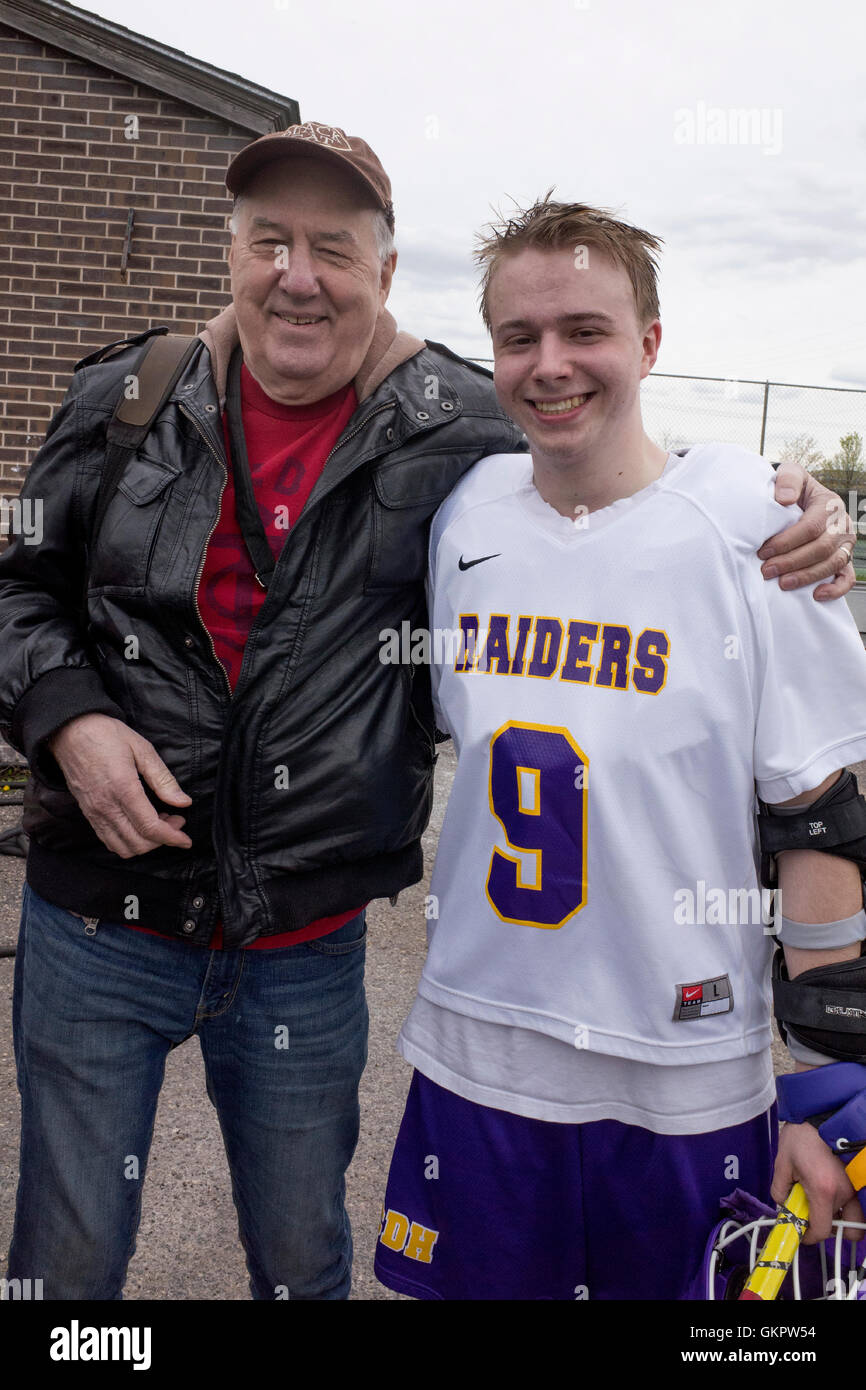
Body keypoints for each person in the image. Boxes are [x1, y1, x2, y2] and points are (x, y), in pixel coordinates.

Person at [0, 127, 854, 1302]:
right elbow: (17, 583)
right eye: (270, 243)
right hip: (102, 921)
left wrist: (799, 506)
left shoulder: (460, 429)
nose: (298, 275)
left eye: (333, 249)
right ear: (231, 255)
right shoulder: (125, 398)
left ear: (384, 276)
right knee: (68, 1257)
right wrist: (65, 717)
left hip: (306, 942)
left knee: (304, 1261)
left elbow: (620, 477)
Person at [373, 197, 866, 1301]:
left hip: (679, 1073)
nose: (549, 364)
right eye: (517, 337)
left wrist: (825, 1079)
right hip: (476, 1051)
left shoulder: (752, 522)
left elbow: (818, 814)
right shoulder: (464, 514)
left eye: (583, 331)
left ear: (647, 343)